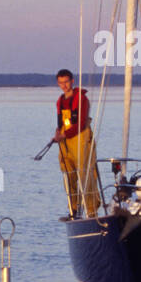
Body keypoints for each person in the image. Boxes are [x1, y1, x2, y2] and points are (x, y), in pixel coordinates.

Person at [53, 69, 102, 218]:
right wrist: (57, 134)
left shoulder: (81, 99)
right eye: (61, 83)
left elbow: (80, 123)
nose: (64, 85)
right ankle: (73, 210)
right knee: (69, 175)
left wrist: (64, 134)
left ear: (72, 81)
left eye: (66, 82)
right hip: (65, 143)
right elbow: (60, 122)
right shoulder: (60, 101)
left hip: (80, 139)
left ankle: (92, 211)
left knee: (84, 173)